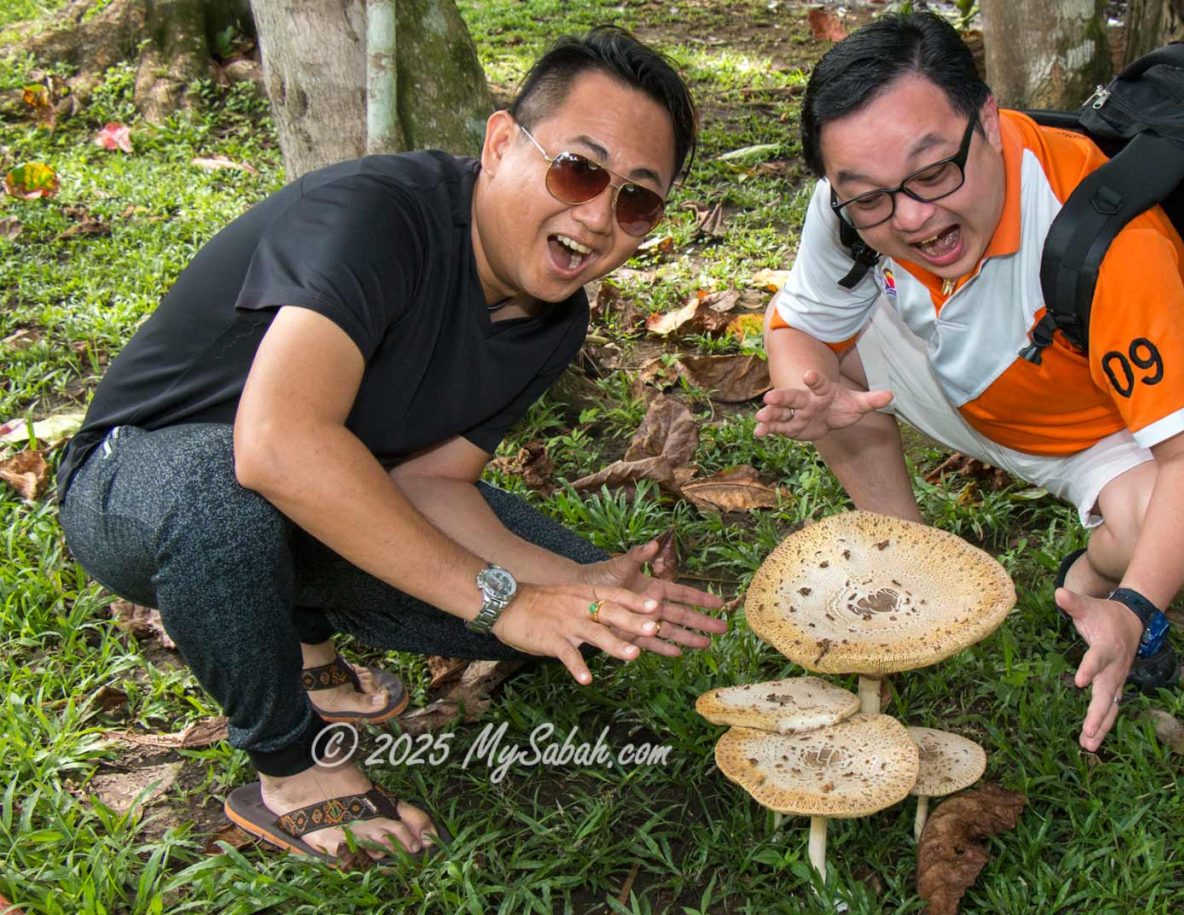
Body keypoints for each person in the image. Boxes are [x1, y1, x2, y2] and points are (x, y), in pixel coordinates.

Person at [56, 27, 726, 863]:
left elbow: (436, 482)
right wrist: (503, 598)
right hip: (140, 478)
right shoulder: (378, 215)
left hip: (307, 500)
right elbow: (275, 444)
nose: (596, 219)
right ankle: (291, 765)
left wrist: (573, 581)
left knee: (583, 626)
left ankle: (301, 639)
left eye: (636, 201)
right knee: (220, 492)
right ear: (498, 145)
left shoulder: (556, 316)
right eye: (579, 170)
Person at [755, 13, 1184, 753]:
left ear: (987, 118)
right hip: (966, 380)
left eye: (934, 172)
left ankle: (1084, 582)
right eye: (871, 197)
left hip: (1110, 423)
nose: (915, 217)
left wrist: (1135, 604)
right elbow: (796, 325)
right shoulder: (854, 205)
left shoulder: (1106, 235)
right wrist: (811, 384)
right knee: (829, 370)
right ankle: (915, 575)